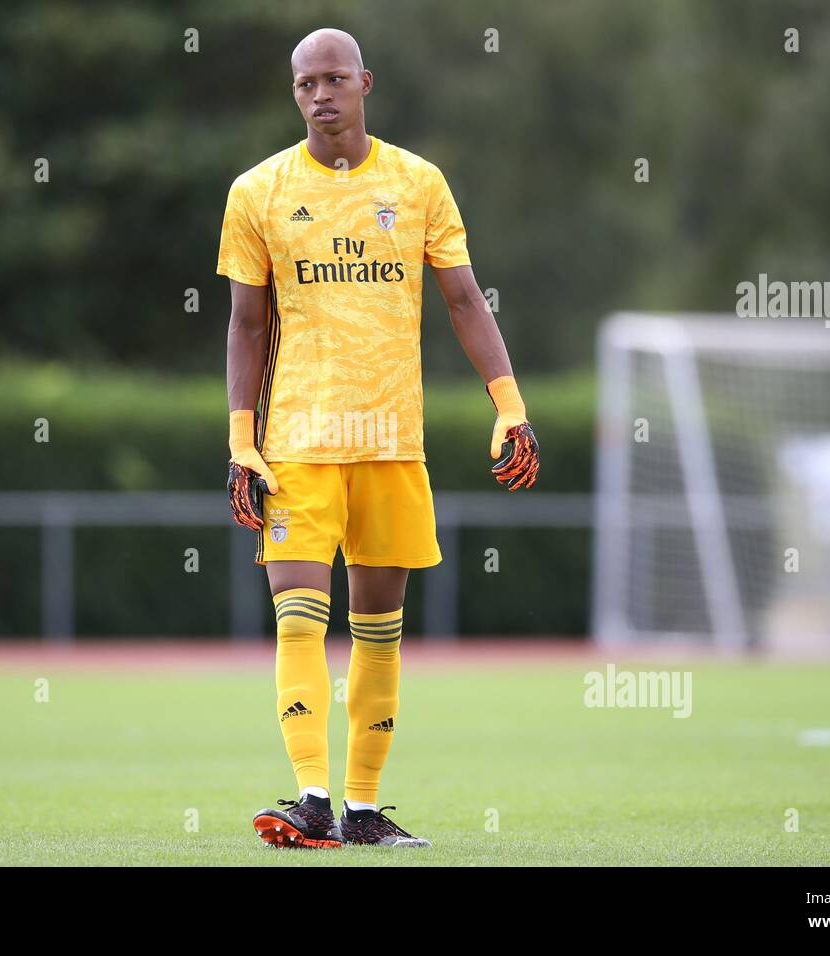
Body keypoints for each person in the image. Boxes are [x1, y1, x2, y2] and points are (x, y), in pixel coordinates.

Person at [218, 27, 539, 849]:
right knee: (297, 622)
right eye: (303, 84)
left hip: (393, 443)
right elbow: (247, 323)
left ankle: (362, 809)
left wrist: (510, 404)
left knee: (378, 634)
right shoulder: (257, 191)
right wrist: (241, 438)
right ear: (294, 94)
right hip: (296, 445)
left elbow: (466, 300)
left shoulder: (418, 182)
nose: (319, 95)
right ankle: (312, 798)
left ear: (365, 81)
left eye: (333, 79)